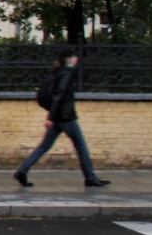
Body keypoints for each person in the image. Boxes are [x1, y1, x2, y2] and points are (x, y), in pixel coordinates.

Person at [15, 50, 111, 188]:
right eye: (74, 57)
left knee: (44, 146)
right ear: (68, 59)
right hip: (66, 117)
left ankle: (22, 171)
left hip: (57, 118)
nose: (77, 59)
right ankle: (90, 178)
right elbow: (58, 95)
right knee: (81, 147)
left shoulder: (57, 72)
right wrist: (51, 117)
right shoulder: (66, 73)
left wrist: (52, 117)